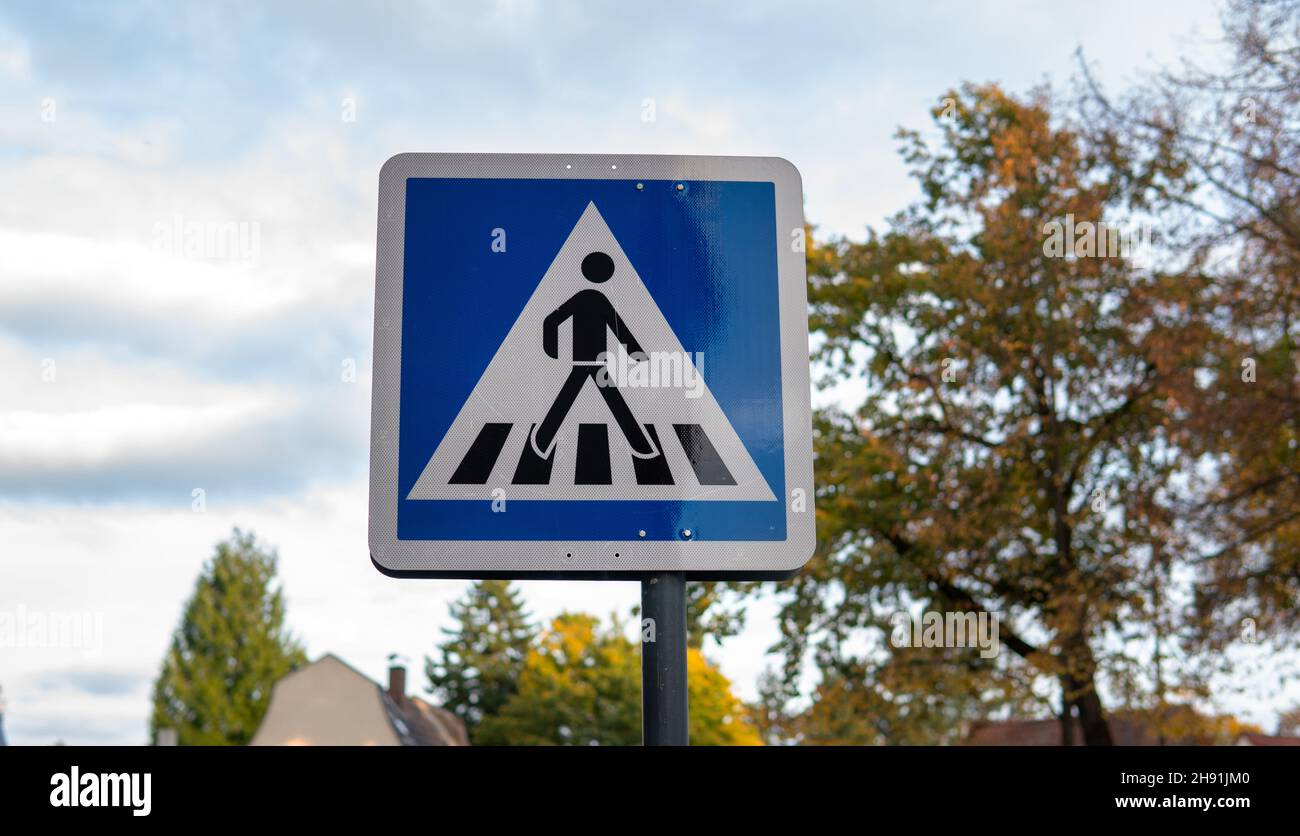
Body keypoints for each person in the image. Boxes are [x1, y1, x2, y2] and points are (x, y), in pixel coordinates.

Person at [530, 251, 657, 458]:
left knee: (574, 399)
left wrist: (553, 350)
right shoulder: (598, 299)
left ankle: (542, 441)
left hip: (584, 360)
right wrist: (636, 354)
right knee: (611, 401)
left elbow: (551, 320)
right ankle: (641, 446)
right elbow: (619, 328)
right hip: (596, 361)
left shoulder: (582, 298)